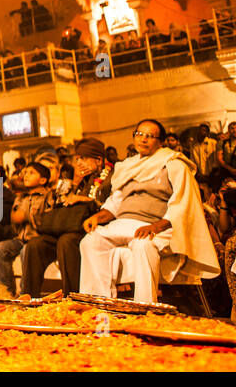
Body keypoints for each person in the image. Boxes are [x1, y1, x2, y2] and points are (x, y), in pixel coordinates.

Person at [79, 118, 219, 303]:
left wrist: (156, 226)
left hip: (157, 226)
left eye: (150, 136)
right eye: (139, 134)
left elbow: (183, 202)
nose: (143, 139)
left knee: (143, 244)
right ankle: (100, 304)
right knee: (90, 241)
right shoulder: (127, 166)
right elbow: (115, 203)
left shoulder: (173, 163)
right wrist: (98, 216)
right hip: (123, 224)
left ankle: (145, 306)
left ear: (160, 141)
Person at [21, 138, 112, 295]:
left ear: (98, 160)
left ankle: (72, 297)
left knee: (66, 242)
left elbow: (113, 205)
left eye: (83, 158)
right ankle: (29, 296)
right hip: (66, 225)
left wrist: (88, 200)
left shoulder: (110, 176)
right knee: (35, 245)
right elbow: (57, 201)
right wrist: (75, 182)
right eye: (77, 158)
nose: (79, 163)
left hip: (90, 228)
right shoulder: (70, 178)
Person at [0, 162, 54, 294]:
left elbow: (47, 219)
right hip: (20, 238)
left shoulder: (48, 196)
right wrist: (18, 217)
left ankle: (26, 292)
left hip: (38, 239)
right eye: (25, 172)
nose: (26, 176)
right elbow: (14, 219)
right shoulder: (21, 197)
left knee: (27, 251)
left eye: (31, 173)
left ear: (43, 180)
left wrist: (26, 215)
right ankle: (6, 291)